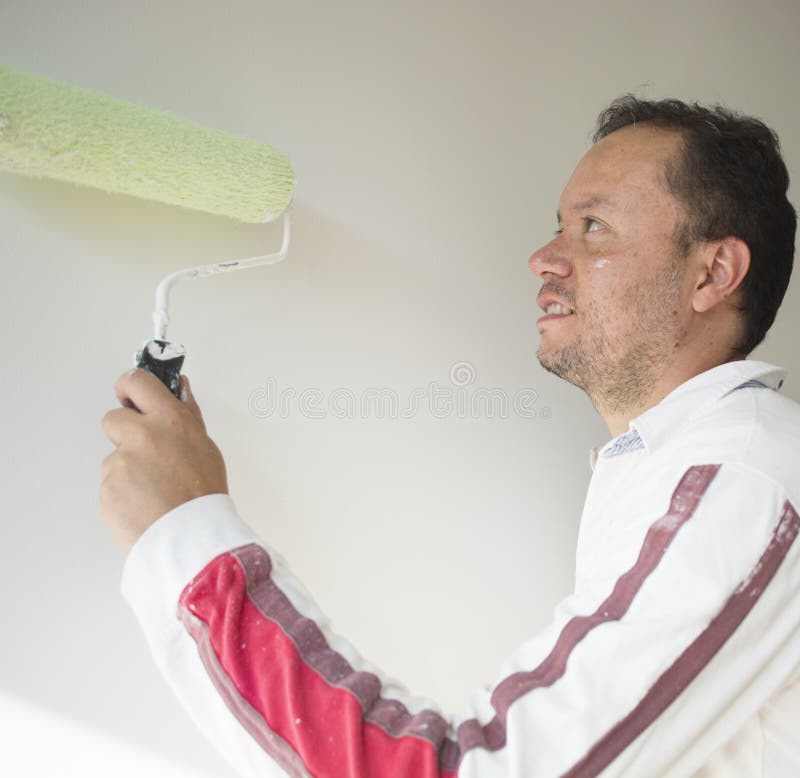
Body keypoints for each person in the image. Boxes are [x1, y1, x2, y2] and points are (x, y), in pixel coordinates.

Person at [101, 96, 800, 777]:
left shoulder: (743, 480)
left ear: (713, 273)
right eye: (559, 225)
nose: (544, 257)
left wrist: (186, 537)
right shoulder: (686, 468)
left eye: (594, 227)